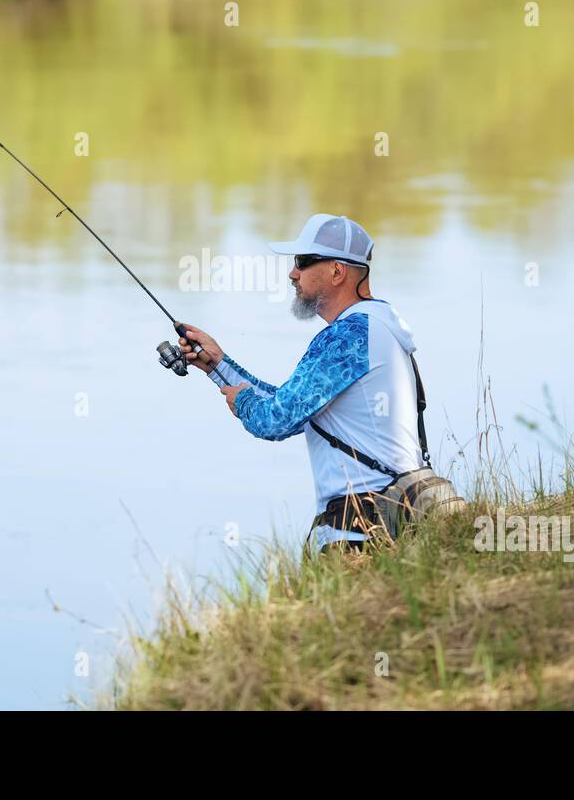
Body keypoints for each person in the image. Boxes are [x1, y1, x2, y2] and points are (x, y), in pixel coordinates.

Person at [178, 213, 428, 555]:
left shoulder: (348, 335)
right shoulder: (378, 324)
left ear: (337, 271)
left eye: (303, 262)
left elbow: (274, 420)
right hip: (388, 518)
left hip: (361, 533)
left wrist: (244, 403)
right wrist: (217, 365)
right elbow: (291, 405)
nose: (292, 273)